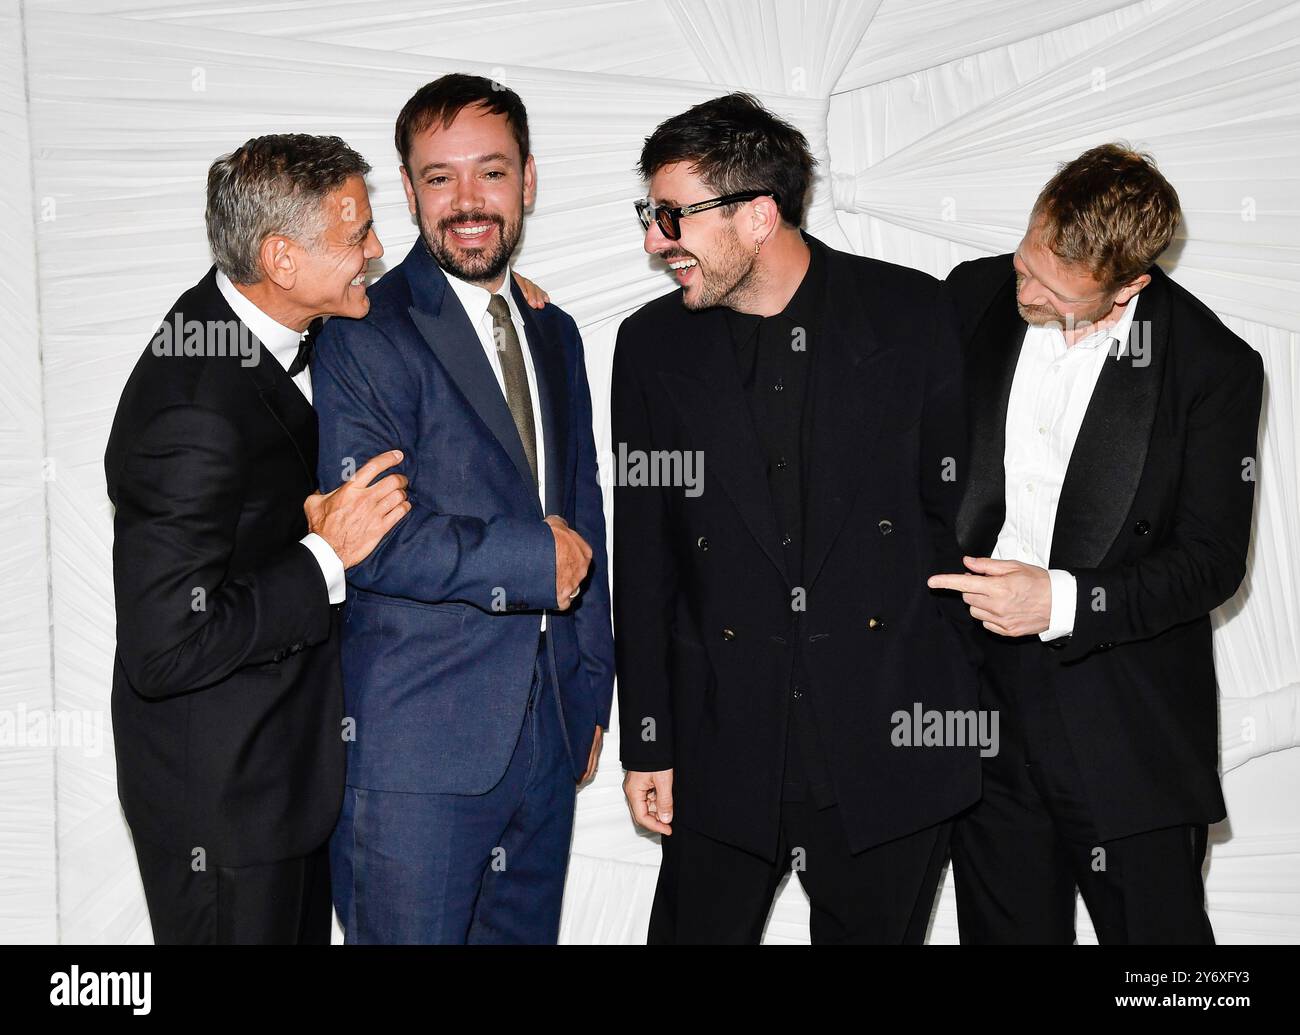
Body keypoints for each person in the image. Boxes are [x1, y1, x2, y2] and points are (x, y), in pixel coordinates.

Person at [612, 93, 981, 943]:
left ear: (757, 215)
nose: (653, 241)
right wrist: (648, 738)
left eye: (672, 215)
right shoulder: (652, 346)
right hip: (721, 744)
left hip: (889, 742)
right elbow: (646, 558)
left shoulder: (912, 315)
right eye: (649, 214)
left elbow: (956, 519)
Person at [936, 143, 1265, 944]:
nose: (1026, 290)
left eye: (1054, 290)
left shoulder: (1213, 367)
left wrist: (1062, 599)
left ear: (1131, 285)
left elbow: (1212, 561)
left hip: (1127, 716)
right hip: (982, 710)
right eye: (1026, 262)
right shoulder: (971, 295)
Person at [313, 74, 615, 944]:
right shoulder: (362, 330)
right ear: (406, 191)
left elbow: (582, 507)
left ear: (529, 180)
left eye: (491, 172)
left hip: (550, 740)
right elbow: (371, 540)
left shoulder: (553, 331)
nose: (469, 202)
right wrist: (529, 559)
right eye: (440, 178)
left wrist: (588, 687)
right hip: (416, 754)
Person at [106, 133, 409, 944]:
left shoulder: (266, 323)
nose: (378, 250)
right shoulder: (192, 413)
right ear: (281, 258)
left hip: (280, 785)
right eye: (358, 237)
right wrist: (324, 558)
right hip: (224, 813)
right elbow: (164, 646)